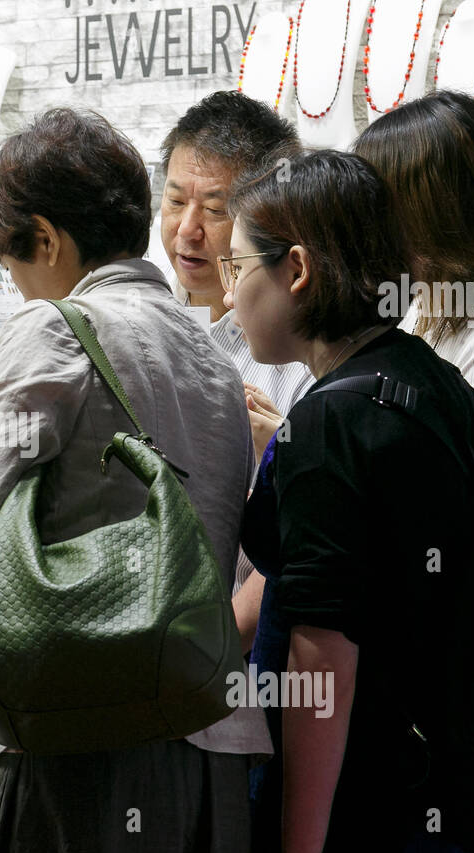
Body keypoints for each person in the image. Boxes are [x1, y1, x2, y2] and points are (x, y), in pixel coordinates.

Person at [0, 107, 255, 853]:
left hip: (78, 747)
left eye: (12, 265)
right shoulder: (215, 359)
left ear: (46, 239)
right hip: (203, 749)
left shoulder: (54, 330)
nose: (14, 287)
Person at [227, 150, 474, 853]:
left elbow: (324, 666)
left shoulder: (329, 424)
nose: (229, 298)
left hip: (363, 807)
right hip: (450, 786)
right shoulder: (440, 384)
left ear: (295, 270)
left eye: (237, 269)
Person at [158, 91, 315, 658]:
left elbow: (302, 541)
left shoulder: (297, 355)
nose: (187, 231)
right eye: (175, 200)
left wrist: (214, 647)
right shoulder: (150, 323)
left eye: (216, 209)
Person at [355, 91, 474, 514]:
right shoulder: (415, 315)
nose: (363, 222)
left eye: (375, 203)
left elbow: (457, 512)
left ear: (426, 211)